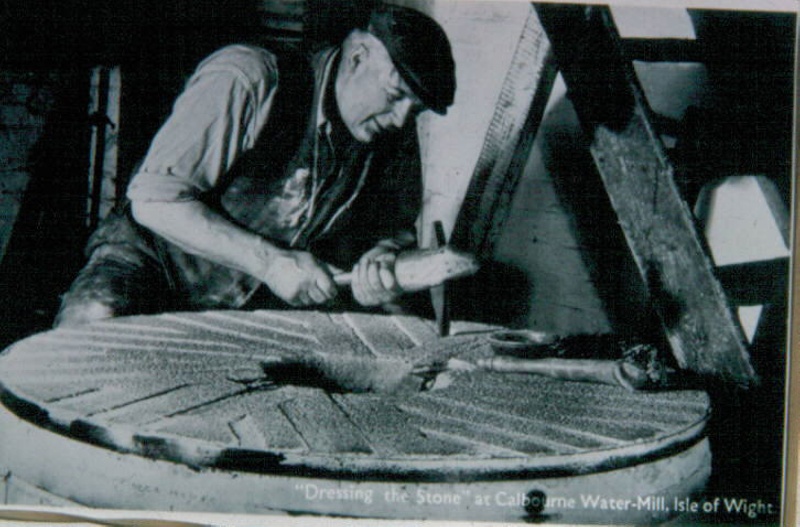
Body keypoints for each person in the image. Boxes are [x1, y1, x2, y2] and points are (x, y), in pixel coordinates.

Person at [54, 4, 456, 327]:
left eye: (415, 109)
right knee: (89, 335)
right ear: (357, 57)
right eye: (395, 94)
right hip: (149, 266)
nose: (403, 118)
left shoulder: (391, 134)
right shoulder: (250, 77)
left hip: (250, 298)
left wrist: (378, 264)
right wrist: (272, 262)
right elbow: (154, 202)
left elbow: (392, 230)